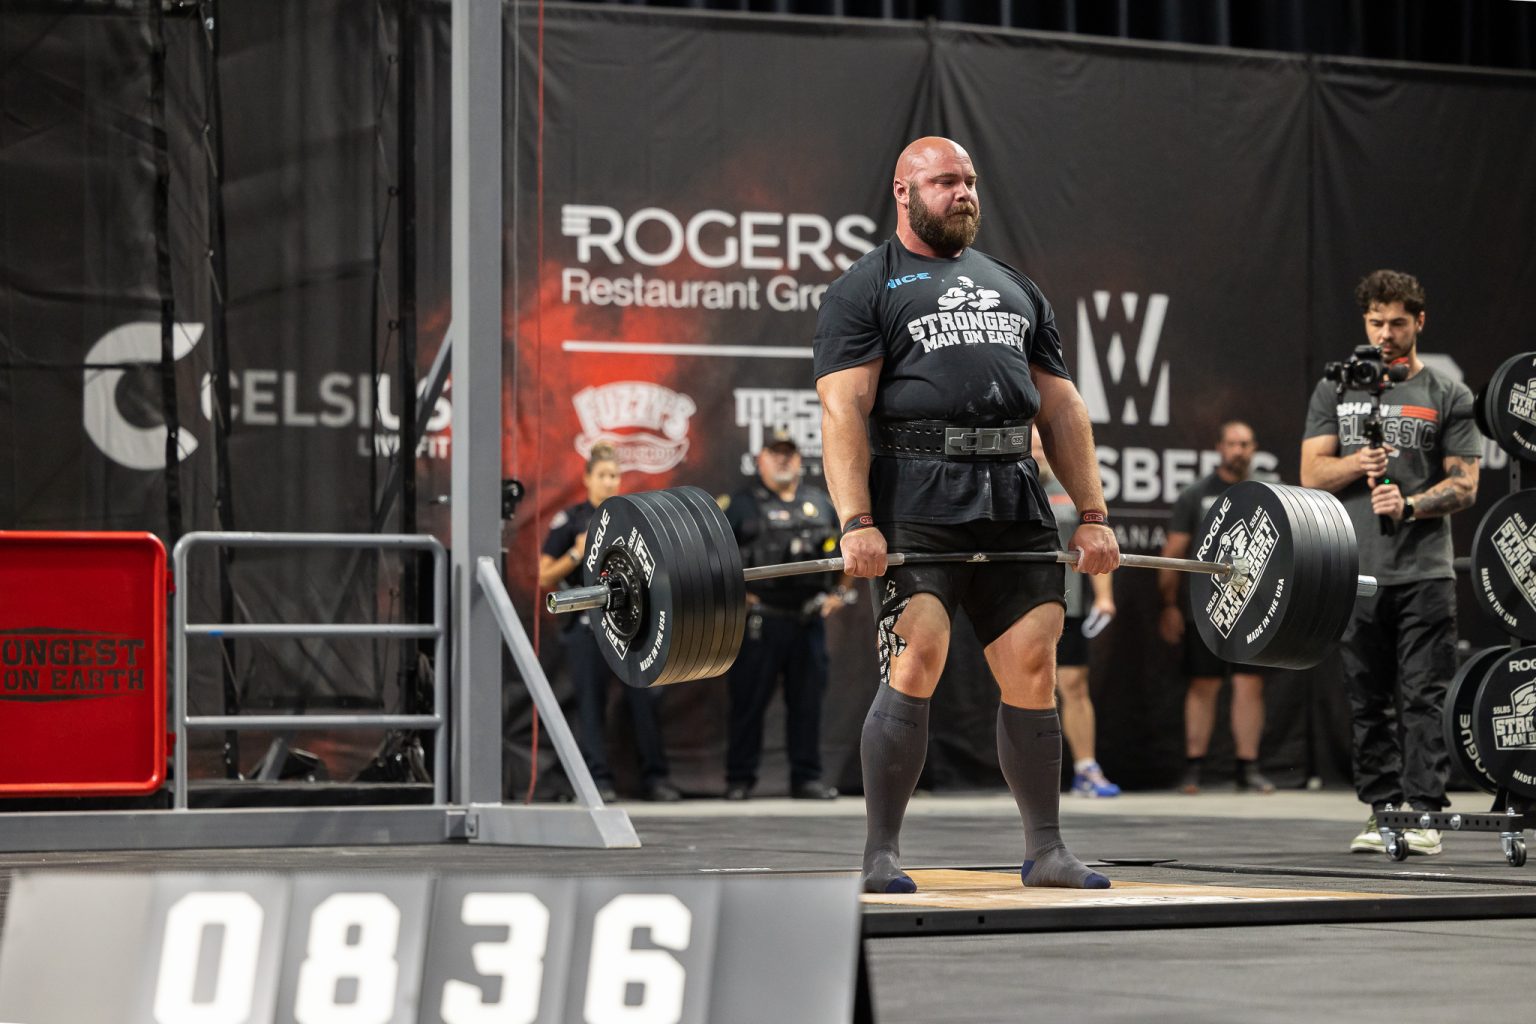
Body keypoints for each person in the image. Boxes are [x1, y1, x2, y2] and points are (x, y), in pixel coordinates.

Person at [814, 136, 1120, 894]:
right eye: (945, 181)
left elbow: (1062, 405)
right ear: (903, 192)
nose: (963, 194)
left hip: (1013, 490)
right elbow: (843, 407)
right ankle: (881, 852)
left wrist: (1092, 511)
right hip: (915, 491)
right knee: (917, 654)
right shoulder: (867, 287)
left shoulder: (1015, 287)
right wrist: (856, 521)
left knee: (1036, 664)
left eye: (970, 181)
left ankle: (1045, 850)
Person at [1301, 269, 1480, 856]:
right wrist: (1360, 463)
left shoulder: (1448, 395)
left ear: (1419, 321)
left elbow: (1466, 484)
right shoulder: (1338, 388)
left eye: (1397, 322)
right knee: (1366, 697)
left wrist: (1407, 504)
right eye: (1376, 322)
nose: (1385, 333)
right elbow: (1312, 473)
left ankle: (1425, 813)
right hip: (1358, 568)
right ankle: (1382, 813)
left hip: (1425, 570)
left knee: (1425, 694)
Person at [539, 444, 682, 803]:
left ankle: (656, 778)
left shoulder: (630, 519)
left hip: (631, 628)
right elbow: (544, 577)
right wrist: (575, 551)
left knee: (645, 700)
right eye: (602, 475)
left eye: (614, 476)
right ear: (587, 479)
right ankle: (597, 781)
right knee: (590, 704)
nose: (608, 482)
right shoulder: (570, 520)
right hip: (587, 628)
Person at [719, 426, 849, 801]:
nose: (783, 459)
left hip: (807, 620)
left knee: (807, 704)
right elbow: (714, 559)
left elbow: (848, 549)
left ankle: (806, 778)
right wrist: (736, 596)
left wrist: (840, 591)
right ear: (760, 459)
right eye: (775, 453)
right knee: (748, 703)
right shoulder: (740, 505)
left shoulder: (820, 502)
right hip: (762, 619)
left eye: (789, 453)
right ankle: (739, 779)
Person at [1158, 420, 1276, 796]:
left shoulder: (1267, 493)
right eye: (1231, 444)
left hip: (1255, 610)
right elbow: (1174, 553)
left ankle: (1248, 766)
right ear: (1219, 447)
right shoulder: (1197, 495)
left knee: (1249, 685)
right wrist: (1169, 606)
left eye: (1244, 443)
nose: (1238, 450)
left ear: (1253, 448)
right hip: (1206, 610)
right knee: (1203, 685)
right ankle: (1194, 767)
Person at [1033, 428, 1120, 798]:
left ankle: (1086, 769)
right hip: (1020, 604)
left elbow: (1096, 544)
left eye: (1041, 445)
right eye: (1031, 444)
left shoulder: (1071, 489)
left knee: (1072, 685)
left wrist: (1104, 597)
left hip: (1069, 604)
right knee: (1029, 689)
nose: (1036, 451)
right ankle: (1031, 775)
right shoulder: (1006, 486)